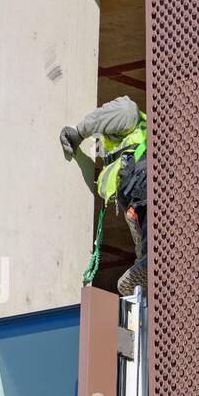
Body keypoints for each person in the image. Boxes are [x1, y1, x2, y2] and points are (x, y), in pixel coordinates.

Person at [60, 95, 148, 295]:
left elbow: (127, 109)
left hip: (144, 179)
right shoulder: (117, 154)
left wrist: (79, 132)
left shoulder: (132, 122)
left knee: (146, 210)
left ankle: (151, 259)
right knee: (141, 234)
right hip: (134, 194)